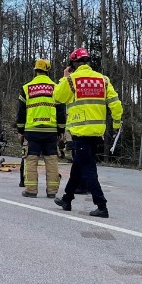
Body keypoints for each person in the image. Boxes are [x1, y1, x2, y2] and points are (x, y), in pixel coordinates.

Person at [52, 48, 123, 218]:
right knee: (78, 165)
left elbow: (57, 97)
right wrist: (116, 124)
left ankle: (101, 204)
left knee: (89, 170)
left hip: (80, 131)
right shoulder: (103, 80)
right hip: (97, 131)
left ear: (73, 64)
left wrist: (65, 77)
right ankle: (67, 198)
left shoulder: (72, 80)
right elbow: (115, 104)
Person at [16, 58, 66, 198]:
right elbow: (61, 111)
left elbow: (21, 112)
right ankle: (52, 191)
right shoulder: (56, 88)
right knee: (51, 160)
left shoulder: (27, 88)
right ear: (48, 70)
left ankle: (31, 190)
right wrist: (61, 130)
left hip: (32, 131)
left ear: (35, 70)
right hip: (51, 131)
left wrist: (20, 131)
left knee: (31, 160)